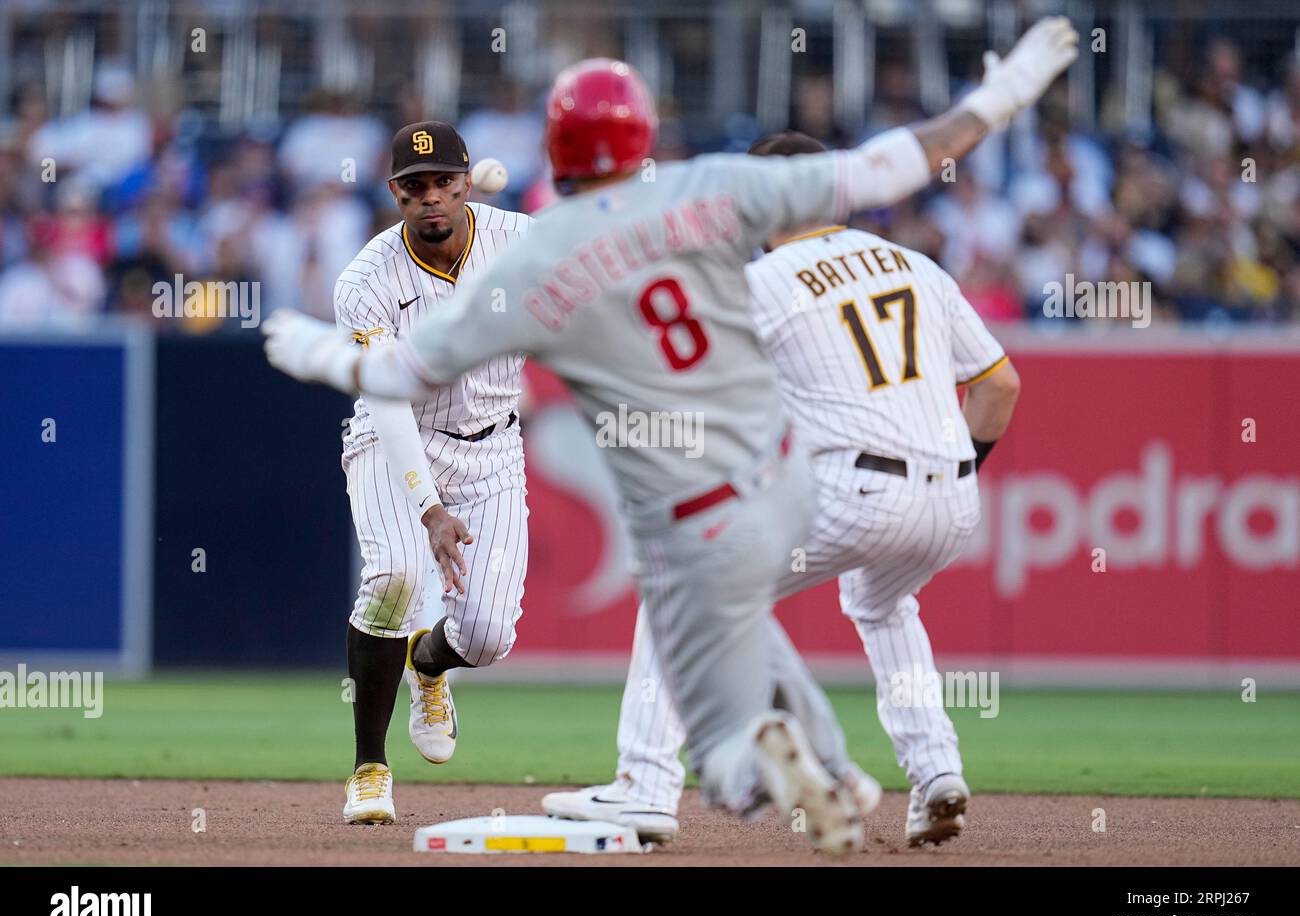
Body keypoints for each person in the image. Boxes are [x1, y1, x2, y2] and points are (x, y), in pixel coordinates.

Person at [264, 18, 1077, 852]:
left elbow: (397, 375)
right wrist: (1005, 91)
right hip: (781, 477)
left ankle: (692, 778)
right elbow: (890, 162)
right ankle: (823, 765)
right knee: (756, 622)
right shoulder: (715, 190)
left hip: (682, 493)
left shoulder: (541, 257)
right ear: (644, 137)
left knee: (697, 649)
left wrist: (312, 350)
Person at [542, 131, 1021, 847]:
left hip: (855, 486)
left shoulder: (766, 280)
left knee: (684, 576)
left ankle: (644, 786)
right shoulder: (916, 265)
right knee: (883, 603)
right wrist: (952, 478)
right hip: (954, 497)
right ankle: (937, 771)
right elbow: (999, 386)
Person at [330, 121, 532, 824]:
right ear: (395, 195)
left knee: (488, 637)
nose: (432, 198)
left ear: (466, 184)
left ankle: (430, 663)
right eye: (416, 187)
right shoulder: (365, 280)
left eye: (445, 182)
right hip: (397, 440)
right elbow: (385, 400)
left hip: (495, 449)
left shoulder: (519, 243)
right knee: (394, 579)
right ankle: (368, 769)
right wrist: (428, 510)